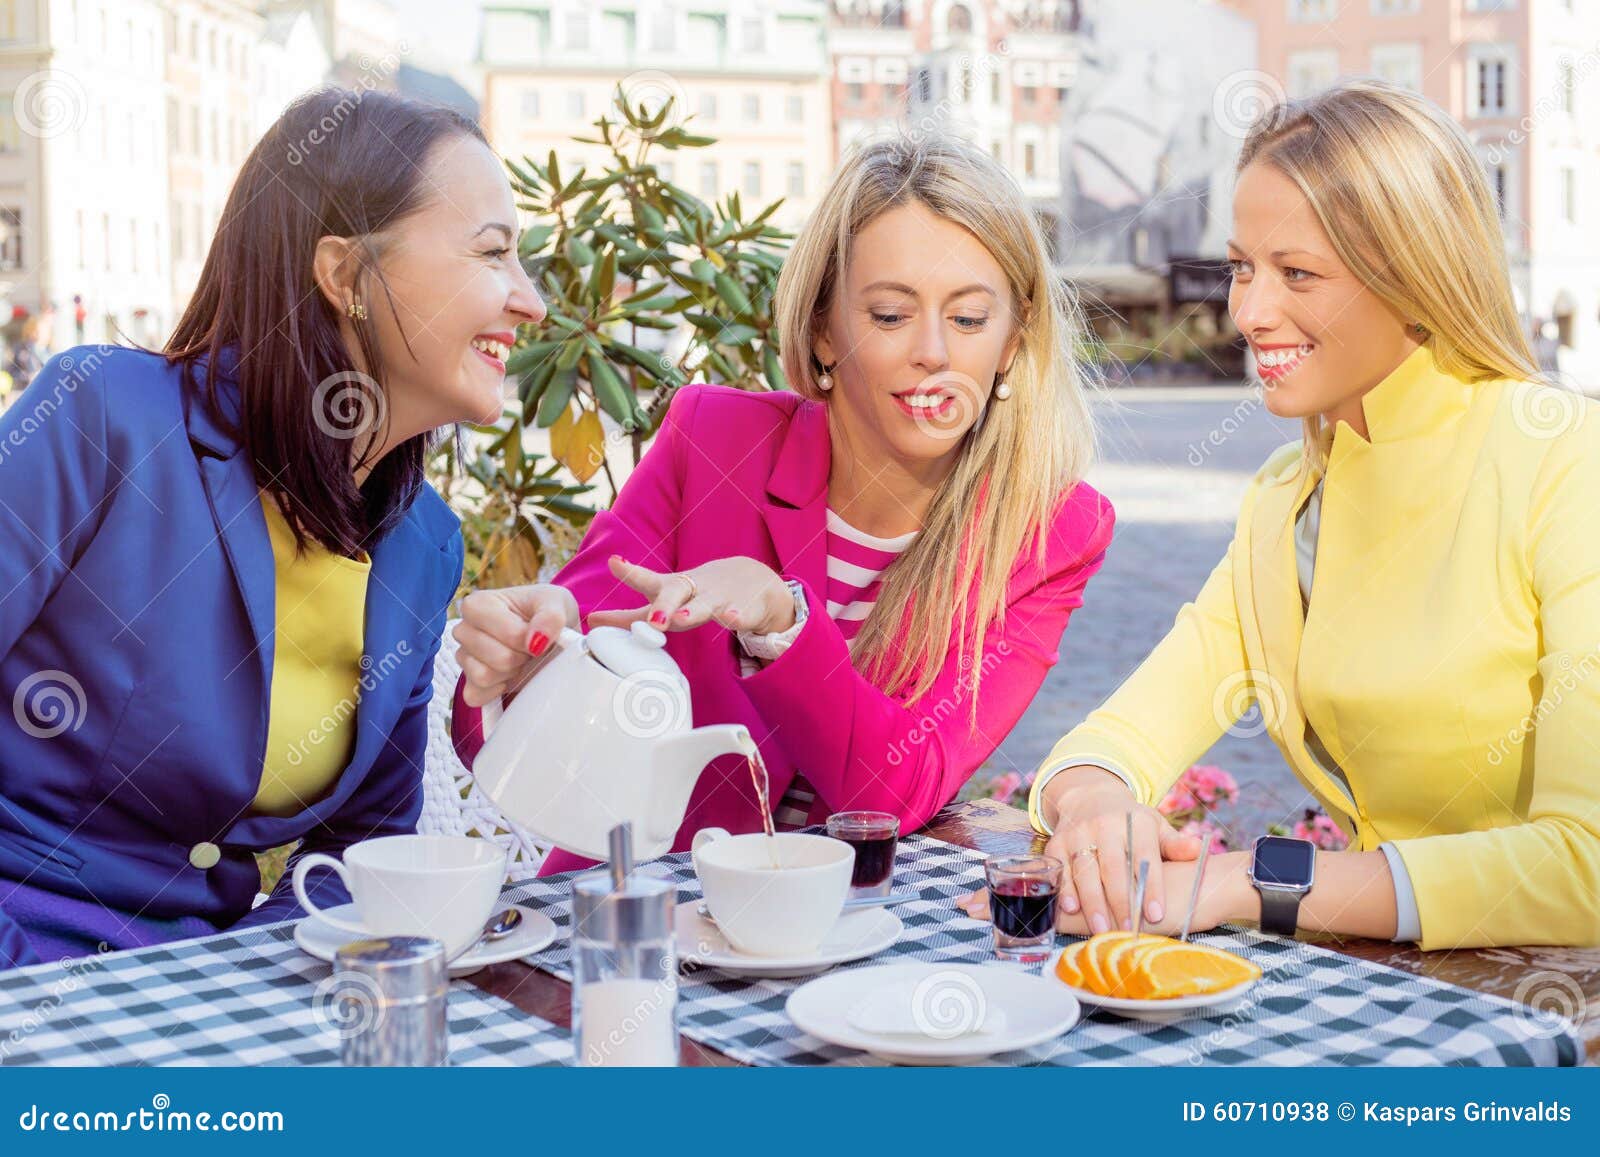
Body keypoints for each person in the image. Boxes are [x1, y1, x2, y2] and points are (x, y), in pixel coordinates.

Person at [964, 80, 1600, 951]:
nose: (1249, 312)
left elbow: (1585, 867)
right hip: (1421, 992)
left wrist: (1240, 879)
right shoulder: (1282, 502)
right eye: (1241, 267)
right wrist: (1097, 798)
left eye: (1297, 273)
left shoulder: (1566, 457)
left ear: (1416, 277)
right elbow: (1123, 728)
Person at [451, 133, 1115, 874]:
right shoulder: (713, 440)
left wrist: (781, 624)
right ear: (826, 329)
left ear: (1015, 341)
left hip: (850, 942)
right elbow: (553, 684)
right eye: (892, 314)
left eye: (968, 319)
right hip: (642, 918)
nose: (934, 351)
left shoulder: (1052, 533)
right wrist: (514, 662)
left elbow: (897, 791)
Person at [0, 87, 545, 969]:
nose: (532, 302)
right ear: (343, 276)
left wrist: (245, 979)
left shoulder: (423, 544)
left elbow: (360, 855)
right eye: (494, 255)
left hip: (207, 995)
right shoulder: (104, 419)